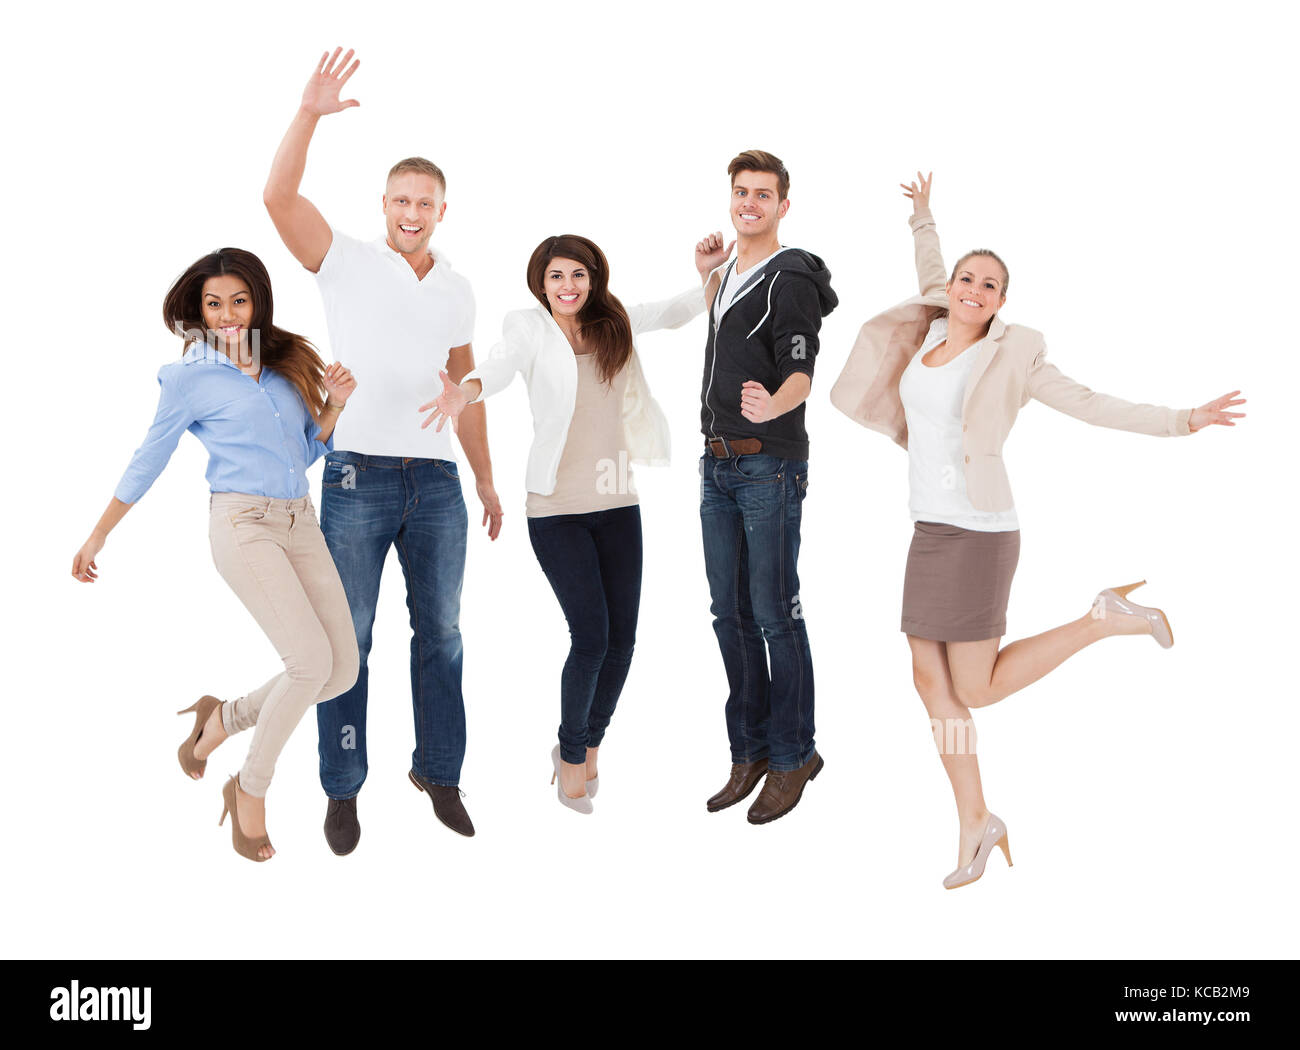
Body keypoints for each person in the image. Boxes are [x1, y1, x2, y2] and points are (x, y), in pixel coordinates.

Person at [830, 172, 1246, 888]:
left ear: (1001, 302)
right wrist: (924, 217)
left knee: (976, 688)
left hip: (980, 531)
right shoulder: (932, 323)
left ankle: (1101, 619)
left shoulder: (1014, 353)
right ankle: (976, 821)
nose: (972, 289)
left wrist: (1183, 420)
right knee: (927, 678)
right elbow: (931, 270)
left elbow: (1091, 403)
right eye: (967, 278)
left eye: (989, 285)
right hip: (929, 529)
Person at [263, 47, 502, 853]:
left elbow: (465, 394)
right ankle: (343, 785)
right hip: (357, 477)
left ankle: (439, 771)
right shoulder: (348, 262)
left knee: (442, 632)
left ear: (442, 209)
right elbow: (279, 196)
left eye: (424, 201)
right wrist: (309, 113)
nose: (412, 210)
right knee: (348, 639)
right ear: (387, 203)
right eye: (401, 198)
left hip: (436, 484)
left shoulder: (460, 289)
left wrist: (488, 482)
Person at [72, 248, 359, 862]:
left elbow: (303, 456)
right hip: (243, 523)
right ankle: (248, 790)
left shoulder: (279, 364)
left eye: (238, 301)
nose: (227, 315)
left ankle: (218, 721)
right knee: (309, 664)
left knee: (341, 672)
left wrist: (332, 404)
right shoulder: (187, 377)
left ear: (257, 302)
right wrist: (100, 533)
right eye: (213, 303)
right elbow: (148, 457)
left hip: (299, 521)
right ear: (197, 310)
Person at [424, 234, 710, 812]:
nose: (568, 287)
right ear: (542, 283)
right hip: (556, 506)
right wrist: (467, 392)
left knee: (623, 640)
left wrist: (706, 274)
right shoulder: (528, 327)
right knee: (592, 636)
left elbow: (676, 314)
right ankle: (572, 753)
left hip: (617, 501)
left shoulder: (613, 321)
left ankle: (589, 742)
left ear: (593, 277)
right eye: (557, 277)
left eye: (578, 275)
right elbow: (499, 367)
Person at [697, 149, 839, 825]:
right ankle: (748, 751)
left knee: (775, 614)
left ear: (784, 205)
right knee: (730, 615)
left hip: (768, 465)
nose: (749, 203)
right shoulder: (728, 272)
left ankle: (794, 755)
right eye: (741, 192)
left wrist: (773, 406)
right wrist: (706, 280)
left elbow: (800, 368)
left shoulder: (792, 277)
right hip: (717, 465)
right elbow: (730, 347)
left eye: (763, 195)